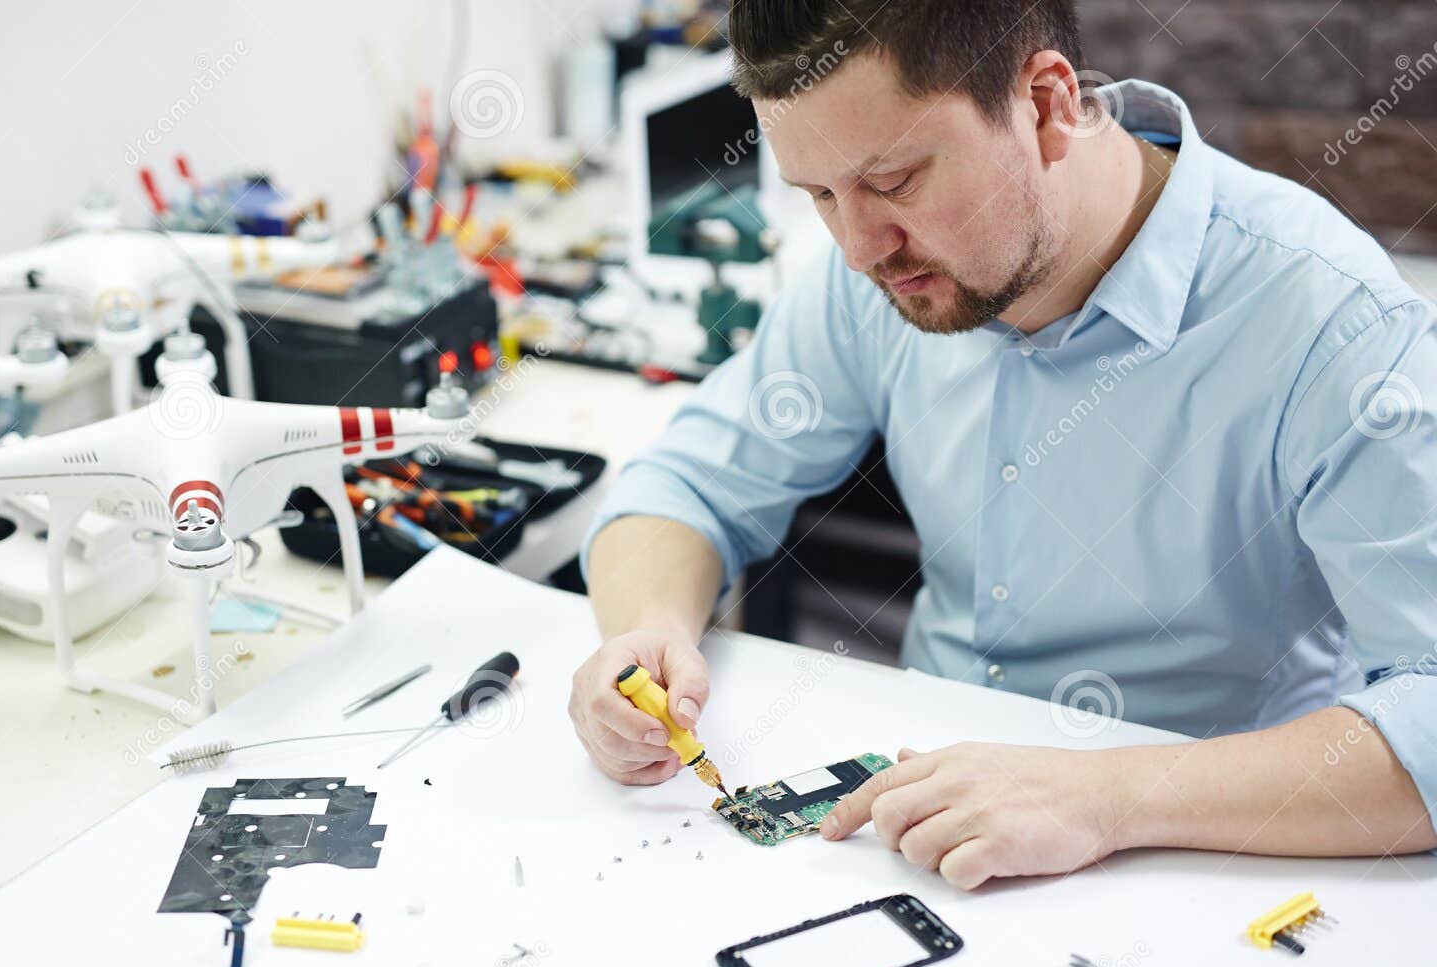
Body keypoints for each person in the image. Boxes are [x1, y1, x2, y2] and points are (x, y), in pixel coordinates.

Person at [566, 0, 1437, 889]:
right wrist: (646, 637)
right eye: (820, 195)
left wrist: (1104, 797)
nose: (861, 247)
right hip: (917, 840)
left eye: (897, 180)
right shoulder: (879, 273)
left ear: (1049, 105)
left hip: (1197, 874)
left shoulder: (1339, 327)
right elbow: (685, 487)